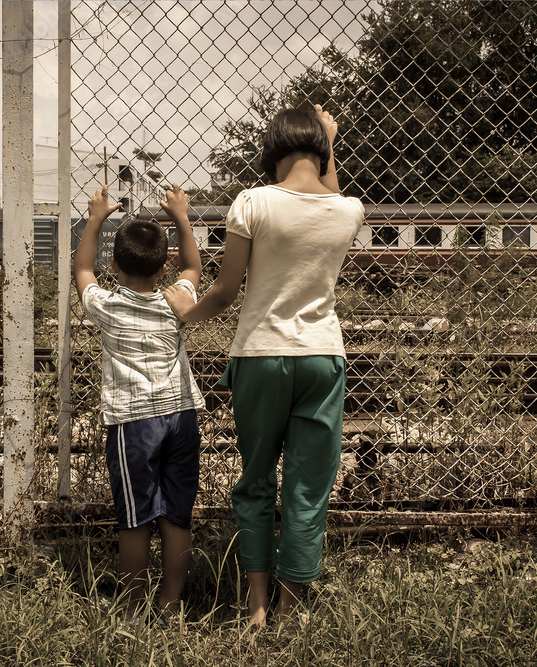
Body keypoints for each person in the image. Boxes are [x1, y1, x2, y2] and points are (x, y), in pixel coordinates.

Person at [163, 104, 365, 626]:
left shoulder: (253, 202)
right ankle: (290, 605)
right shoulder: (349, 210)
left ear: (272, 150)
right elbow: (328, 195)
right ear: (322, 153)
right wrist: (329, 140)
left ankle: (255, 605)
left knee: (255, 480)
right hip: (321, 356)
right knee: (308, 486)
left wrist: (187, 312)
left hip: (260, 356)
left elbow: (226, 290)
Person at [73, 183, 205, 622]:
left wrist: (95, 218)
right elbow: (193, 265)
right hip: (182, 416)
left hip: (134, 424)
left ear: (115, 265)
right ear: (164, 266)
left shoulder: (107, 306)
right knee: (176, 515)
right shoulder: (177, 302)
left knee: (135, 517)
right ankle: (171, 605)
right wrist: (181, 215)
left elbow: (82, 270)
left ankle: (131, 608)